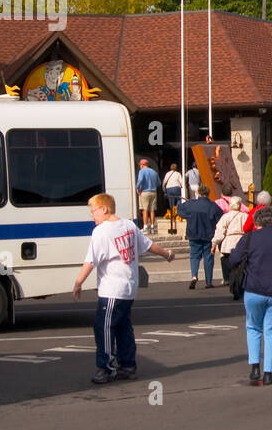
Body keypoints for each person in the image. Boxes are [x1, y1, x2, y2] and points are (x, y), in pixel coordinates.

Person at [72, 192, 175, 384]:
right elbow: (149, 245)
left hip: (112, 289)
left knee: (104, 327)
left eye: (93, 211)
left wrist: (78, 282)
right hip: (129, 287)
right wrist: (167, 254)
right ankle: (128, 364)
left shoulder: (101, 231)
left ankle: (106, 367)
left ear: (104, 209)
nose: (92, 216)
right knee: (123, 326)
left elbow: (90, 261)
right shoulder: (128, 225)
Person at [232, 205, 272, 385]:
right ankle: (269, 372)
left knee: (253, 327)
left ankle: (254, 366)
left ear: (257, 222)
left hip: (254, 289)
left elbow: (233, 259)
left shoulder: (249, 238)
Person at [177, 185, 223, 289]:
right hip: (208, 235)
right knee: (208, 257)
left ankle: (194, 276)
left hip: (193, 233)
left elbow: (180, 210)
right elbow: (220, 218)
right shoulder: (212, 206)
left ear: (198, 193)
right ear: (208, 193)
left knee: (194, 256)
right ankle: (208, 282)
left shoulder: (191, 204)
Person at [213, 196, 247, 287]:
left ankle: (227, 278)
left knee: (225, 258)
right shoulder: (245, 216)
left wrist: (214, 243)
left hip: (228, 242)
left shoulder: (225, 217)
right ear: (239, 205)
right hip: (241, 241)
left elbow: (219, 232)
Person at [135, 158, 161, 233]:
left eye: (140, 165)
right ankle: (153, 227)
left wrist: (137, 188)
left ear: (143, 165)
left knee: (145, 210)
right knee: (152, 210)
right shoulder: (154, 172)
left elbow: (140, 180)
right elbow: (159, 182)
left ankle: (145, 227)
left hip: (144, 192)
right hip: (153, 192)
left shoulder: (142, 171)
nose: (140, 166)